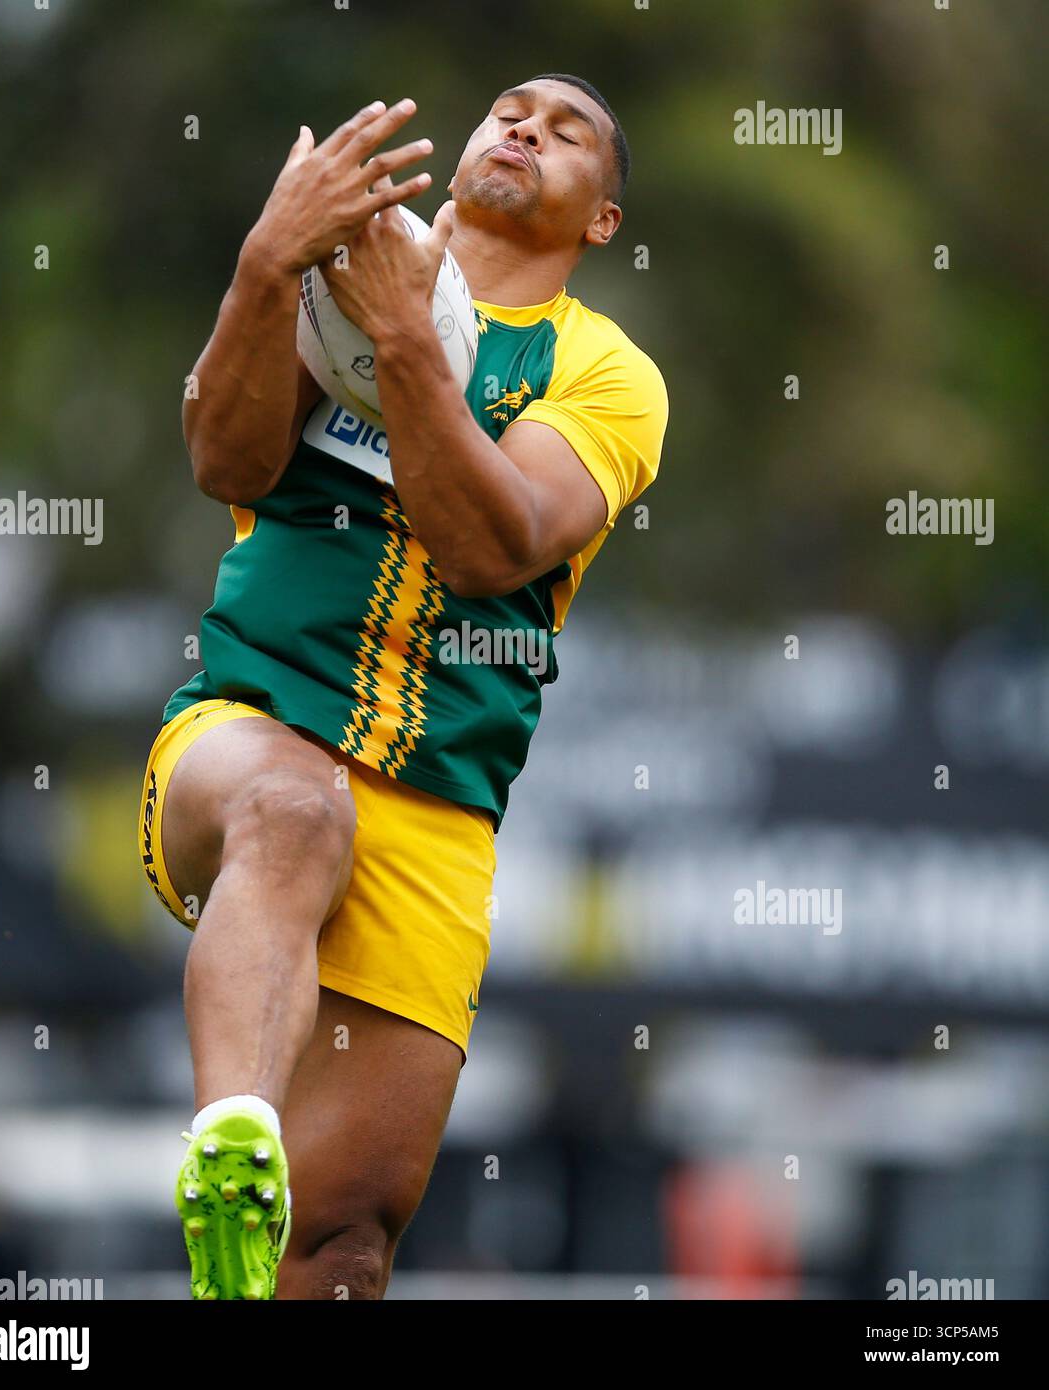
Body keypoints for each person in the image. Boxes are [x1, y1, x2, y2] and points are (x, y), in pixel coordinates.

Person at [137, 73, 668, 1300]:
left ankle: (251, 1257)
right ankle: (231, 1142)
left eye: (569, 127)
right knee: (294, 816)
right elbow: (223, 454)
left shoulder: (611, 375)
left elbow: (496, 542)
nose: (526, 125)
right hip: (248, 729)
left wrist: (405, 338)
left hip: (436, 809)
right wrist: (269, 260)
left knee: (343, 1251)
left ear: (601, 223)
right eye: (509, 110)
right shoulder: (329, 277)